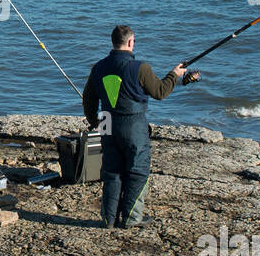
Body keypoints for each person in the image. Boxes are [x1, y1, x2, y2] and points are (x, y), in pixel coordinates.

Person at [82, 25, 197, 229]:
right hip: (133, 124)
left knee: (111, 171)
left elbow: (89, 99)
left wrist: (94, 122)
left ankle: (108, 220)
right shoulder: (140, 68)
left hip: (107, 122)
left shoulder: (98, 67)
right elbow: (160, 92)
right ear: (130, 42)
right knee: (137, 170)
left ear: (113, 42)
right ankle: (131, 218)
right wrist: (174, 74)